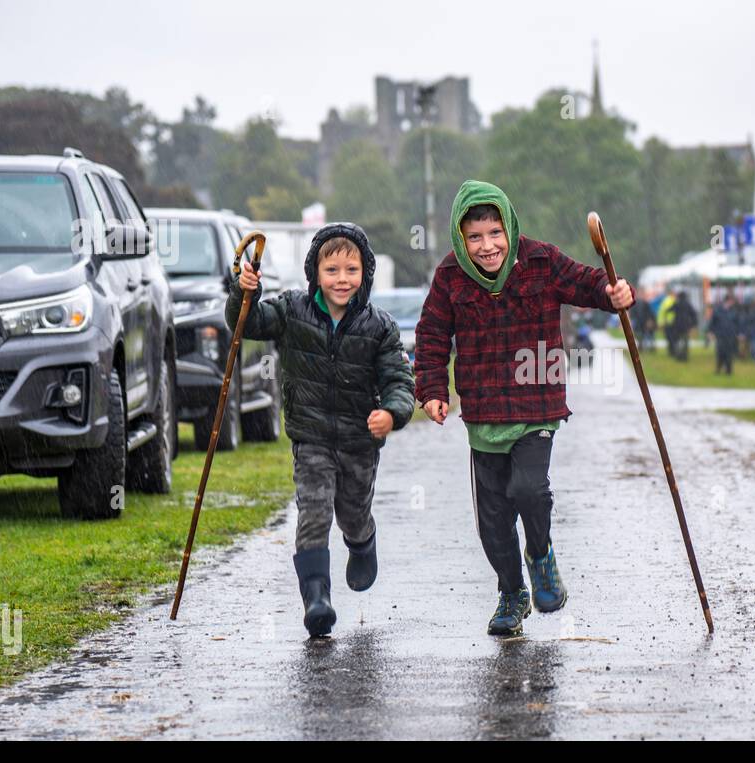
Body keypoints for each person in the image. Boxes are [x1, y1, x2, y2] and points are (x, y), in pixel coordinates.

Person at [413, 180, 634, 637]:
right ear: (460, 237)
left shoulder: (540, 260)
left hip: (536, 403)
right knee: (492, 522)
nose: (487, 246)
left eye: (494, 233)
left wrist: (613, 294)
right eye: (475, 237)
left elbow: (586, 282)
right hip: (483, 414)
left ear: (508, 227)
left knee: (529, 489)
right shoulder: (450, 276)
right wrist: (432, 390)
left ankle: (540, 553)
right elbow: (432, 336)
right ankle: (512, 593)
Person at [228, 224, 415, 638]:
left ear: (365, 274)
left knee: (350, 511)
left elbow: (399, 380)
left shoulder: (379, 326)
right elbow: (248, 323)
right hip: (310, 437)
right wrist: (244, 291)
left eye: (352, 270)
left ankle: (363, 541)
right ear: (315, 272)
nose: (342, 279)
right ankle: (316, 599)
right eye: (332, 270)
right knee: (313, 511)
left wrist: (392, 413)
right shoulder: (293, 309)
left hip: (358, 442)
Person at [709, 294, 739, 375]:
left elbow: (738, 323)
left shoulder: (734, 311)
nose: (732, 303)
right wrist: (711, 332)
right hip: (720, 335)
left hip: (730, 335)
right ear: (727, 301)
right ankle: (718, 369)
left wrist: (738, 333)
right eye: (731, 301)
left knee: (729, 353)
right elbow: (712, 322)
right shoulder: (718, 310)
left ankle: (729, 371)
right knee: (720, 353)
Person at [668, 290, 697, 361]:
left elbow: (669, 310)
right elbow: (694, 314)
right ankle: (685, 356)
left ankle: (679, 356)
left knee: (678, 341)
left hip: (677, 326)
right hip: (686, 326)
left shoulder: (677, 303)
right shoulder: (688, 304)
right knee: (685, 341)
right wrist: (693, 324)